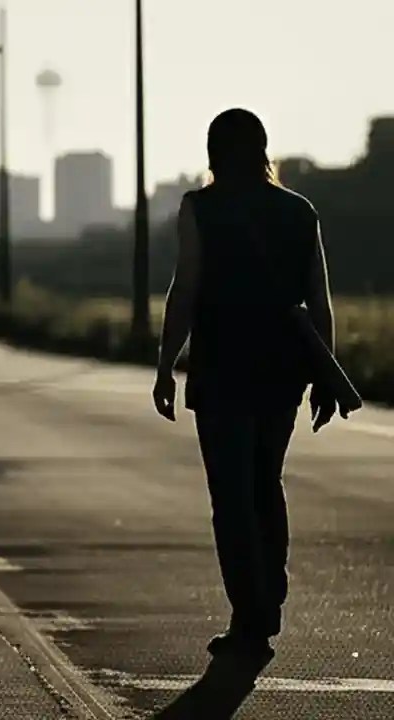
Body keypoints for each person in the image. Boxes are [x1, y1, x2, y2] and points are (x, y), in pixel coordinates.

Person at [152, 108, 338, 668]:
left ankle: (249, 616)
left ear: (213, 153)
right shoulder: (299, 210)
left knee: (231, 499)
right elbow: (318, 298)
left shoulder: (200, 208)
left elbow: (185, 289)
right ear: (262, 149)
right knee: (265, 483)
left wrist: (165, 365)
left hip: (221, 370)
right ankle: (268, 599)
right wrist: (326, 374)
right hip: (283, 370)